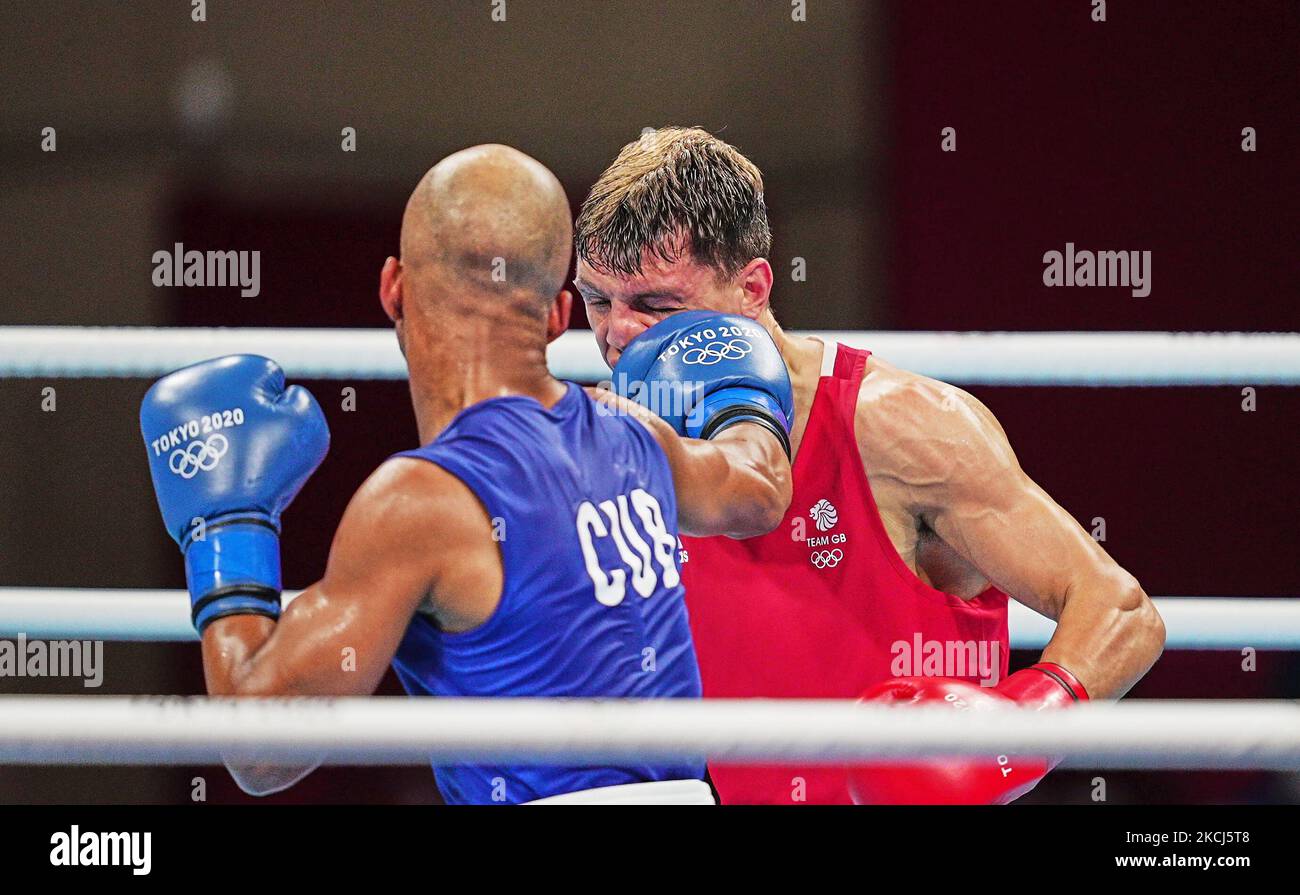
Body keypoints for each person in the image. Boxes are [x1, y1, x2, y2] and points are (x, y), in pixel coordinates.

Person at [139, 144, 793, 805]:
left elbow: (259, 748)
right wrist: (738, 385)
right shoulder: (635, 436)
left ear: (393, 287)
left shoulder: (420, 503)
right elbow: (759, 487)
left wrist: (225, 528)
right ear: (559, 315)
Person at [575, 126, 1167, 804]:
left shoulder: (903, 427)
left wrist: (1015, 734)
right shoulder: (619, 440)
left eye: (655, 304)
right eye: (598, 300)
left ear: (753, 287)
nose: (617, 334)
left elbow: (1121, 610)